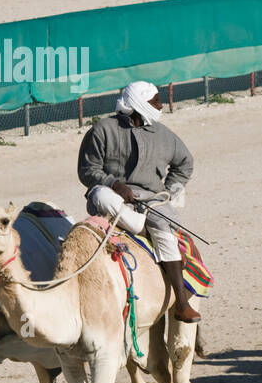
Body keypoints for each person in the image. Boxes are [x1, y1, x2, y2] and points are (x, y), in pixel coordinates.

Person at [77, 81, 200, 323]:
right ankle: (143, 227)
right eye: (155, 101)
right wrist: (114, 183)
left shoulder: (164, 134)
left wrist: (168, 191)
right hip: (111, 199)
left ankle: (182, 304)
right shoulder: (103, 129)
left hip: (152, 200)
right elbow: (88, 169)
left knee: (164, 231)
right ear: (138, 103)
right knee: (101, 195)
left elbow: (185, 163)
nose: (160, 105)